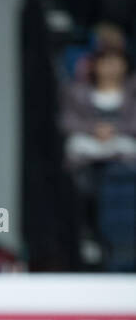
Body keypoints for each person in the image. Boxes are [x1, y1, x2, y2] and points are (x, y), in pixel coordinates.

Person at [59, 43, 136, 266]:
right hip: (88, 156)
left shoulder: (132, 91)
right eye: (105, 61)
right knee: (84, 189)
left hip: (124, 157)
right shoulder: (78, 91)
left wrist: (115, 130)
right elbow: (67, 122)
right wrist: (94, 129)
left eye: (116, 61)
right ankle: (88, 236)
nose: (110, 67)